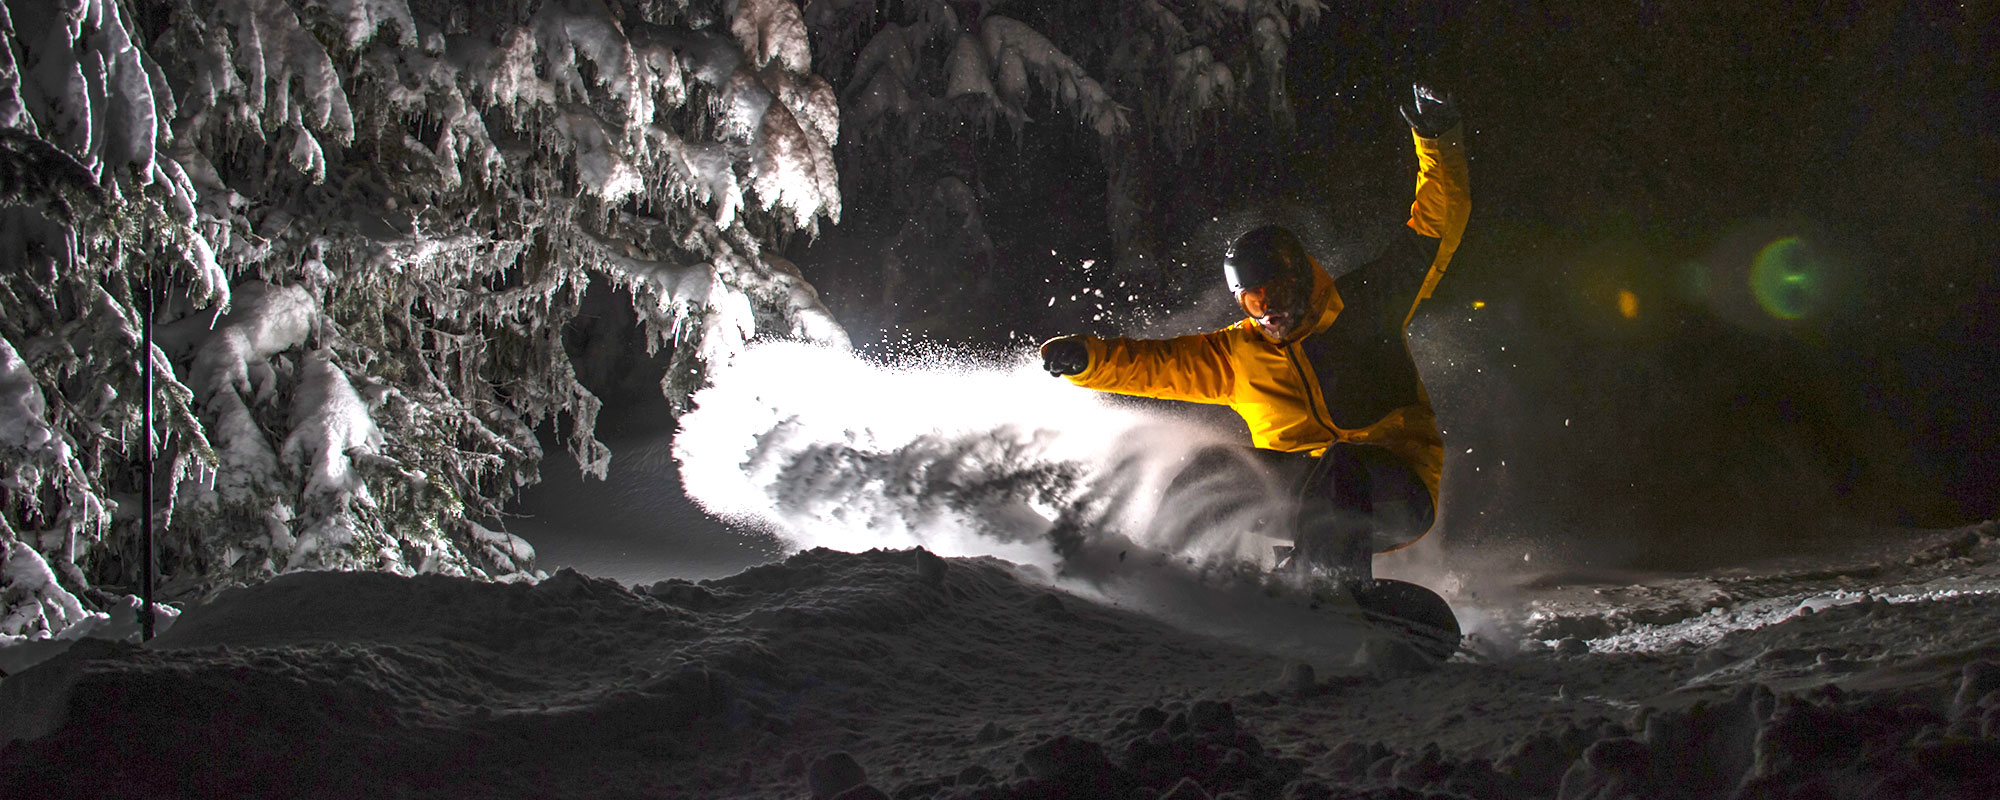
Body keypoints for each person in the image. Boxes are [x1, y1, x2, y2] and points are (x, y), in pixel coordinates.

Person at [1040, 83, 1470, 596]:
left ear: (1305, 280)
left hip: (1394, 493)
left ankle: (1332, 590)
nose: (1268, 309)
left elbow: (1437, 226)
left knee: (1343, 465)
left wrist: (1436, 138)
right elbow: (1151, 365)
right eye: (1252, 299)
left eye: (1279, 291)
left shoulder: (1366, 307)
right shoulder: (1239, 354)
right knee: (1212, 469)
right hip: (1301, 495)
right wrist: (1086, 360)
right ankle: (1154, 581)